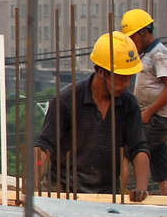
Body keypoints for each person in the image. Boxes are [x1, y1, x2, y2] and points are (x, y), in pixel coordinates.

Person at [34, 31, 150, 201]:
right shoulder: (67, 100)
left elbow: (139, 148)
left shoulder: (128, 105)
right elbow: (44, 148)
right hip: (63, 193)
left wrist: (141, 187)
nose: (126, 84)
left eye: (129, 78)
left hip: (105, 195)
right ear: (101, 72)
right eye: (121, 78)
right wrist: (33, 184)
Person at [122, 7, 167, 205]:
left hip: (157, 120)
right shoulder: (145, 53)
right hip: (150, 117)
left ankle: (123, 194)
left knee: (128, 150)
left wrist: (149, 113)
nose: (131, 43)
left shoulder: (159, 54)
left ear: (144, 33)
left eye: (133, 37)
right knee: (160, 163)